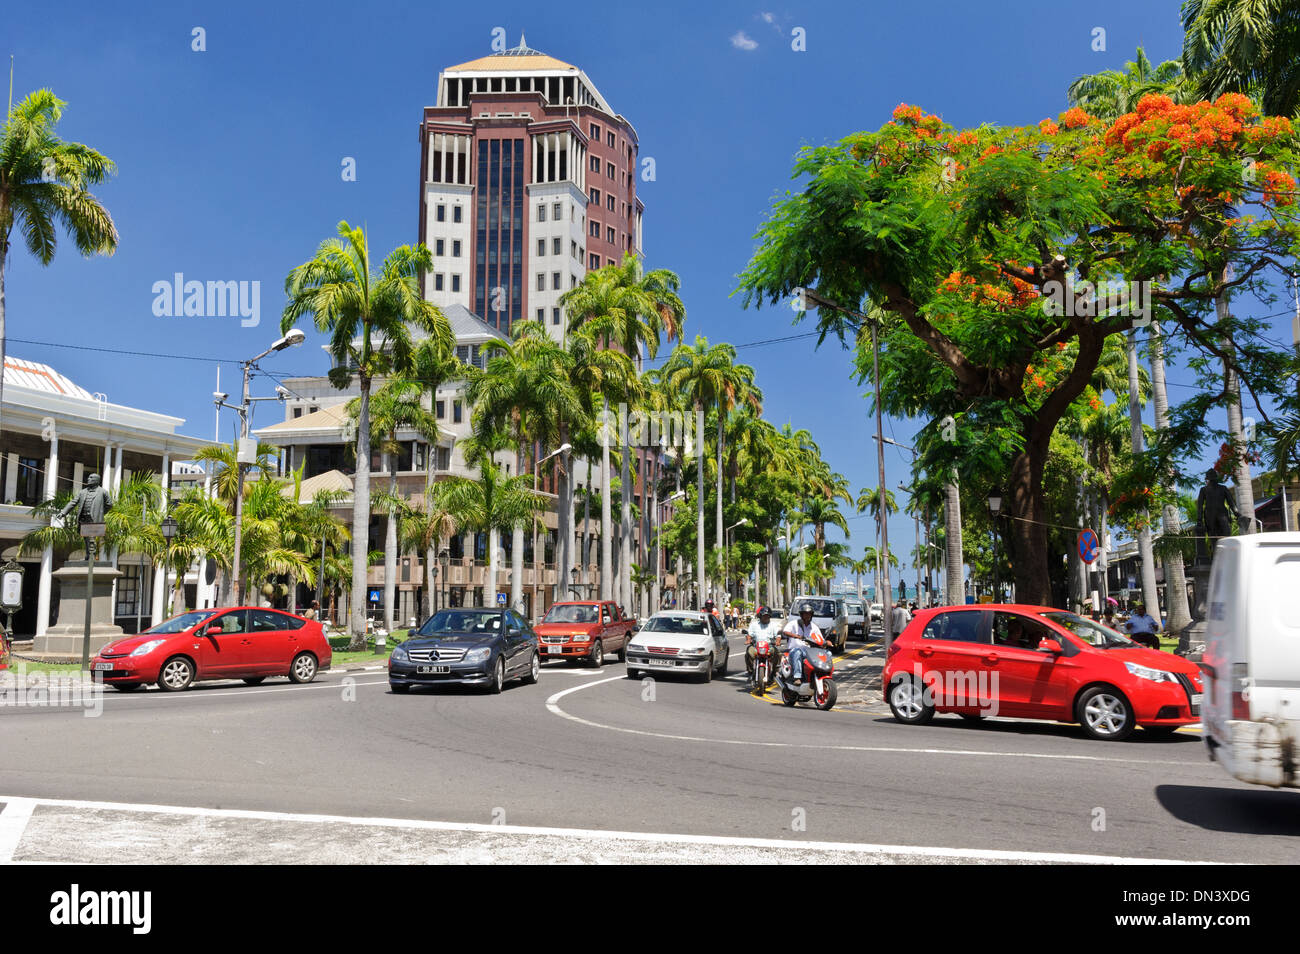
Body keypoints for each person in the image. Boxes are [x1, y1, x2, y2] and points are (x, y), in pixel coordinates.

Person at [781, 603, 822, 685]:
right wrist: (796, 636)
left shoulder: (814, 627)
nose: (807, 616)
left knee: (827, 653)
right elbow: (785, 631)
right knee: (797, 652)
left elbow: (820, 639)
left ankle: (820, 675)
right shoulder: (794, 624)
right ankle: (797, 677)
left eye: (809, 614)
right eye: (805, 614)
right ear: (801, 615)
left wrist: (826, 642)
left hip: (809, 652)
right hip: (793, 651)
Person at [745, 606, 784, 683]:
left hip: (769, 647)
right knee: (749, 652)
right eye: (764, 615)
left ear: (770, 616)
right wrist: (748, 640)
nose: (766, 617)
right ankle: (750, 672)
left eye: (767, 615)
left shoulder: (773, 625)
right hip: (756, 647)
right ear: (760, 616)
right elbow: (749, 634)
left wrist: (777, 641)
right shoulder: (754, 624)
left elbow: (778, 635)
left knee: (778, 654)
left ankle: (774, 672)